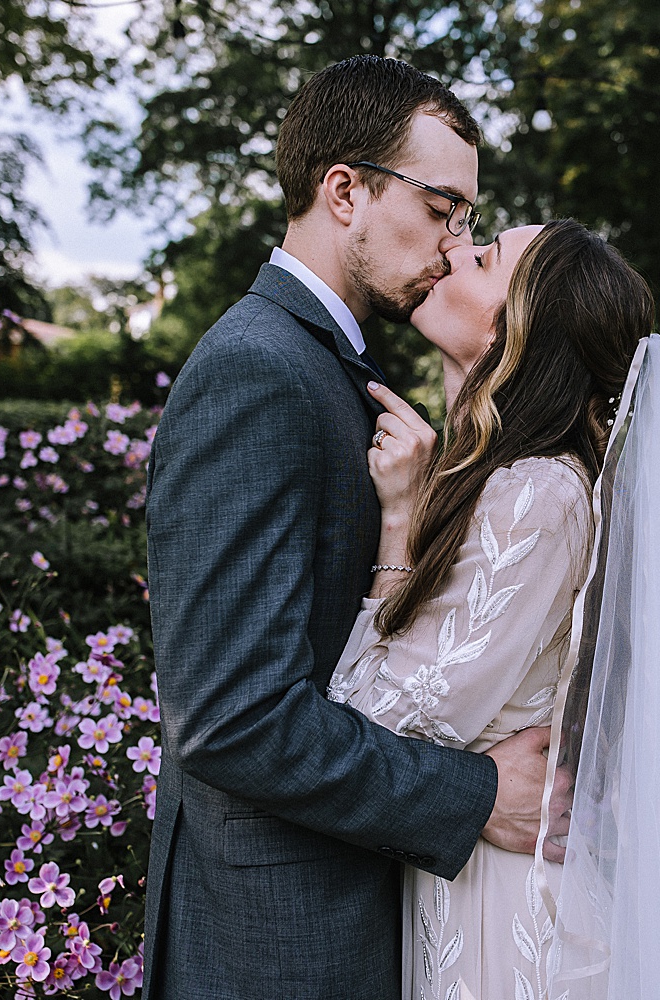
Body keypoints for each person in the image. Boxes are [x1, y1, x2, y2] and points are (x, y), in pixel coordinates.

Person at [143, 56, 569, 1000]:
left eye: (468, 218)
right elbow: (230, 718)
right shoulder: (256, 370)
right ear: (345, 191)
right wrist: (476, 795)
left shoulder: (331, 366)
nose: (455, 243)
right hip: (277, 945)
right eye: (441, 207)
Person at [333, 220, 660, 999]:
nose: (453, 250)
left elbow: (372, 718)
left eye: (484, 256)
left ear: (510, 328)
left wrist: (396, 527)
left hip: (509, 920)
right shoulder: (502, 478)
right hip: (472, 884)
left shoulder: (535, 494)